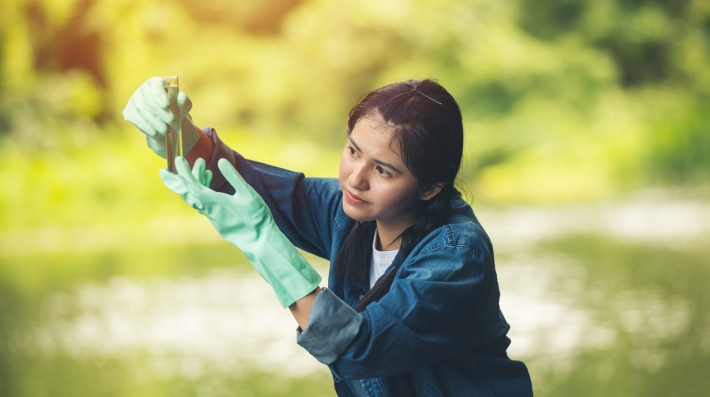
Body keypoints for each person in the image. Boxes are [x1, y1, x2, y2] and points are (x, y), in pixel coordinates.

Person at [124, 77, 533, 396]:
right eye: (353, 151)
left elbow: (358, 348)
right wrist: (174, 128)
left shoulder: (456, 257)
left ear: (431, 188)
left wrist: (263, 242)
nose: (355, 179)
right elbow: (242, 180)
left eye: (384, 170)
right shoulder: (353, 213)